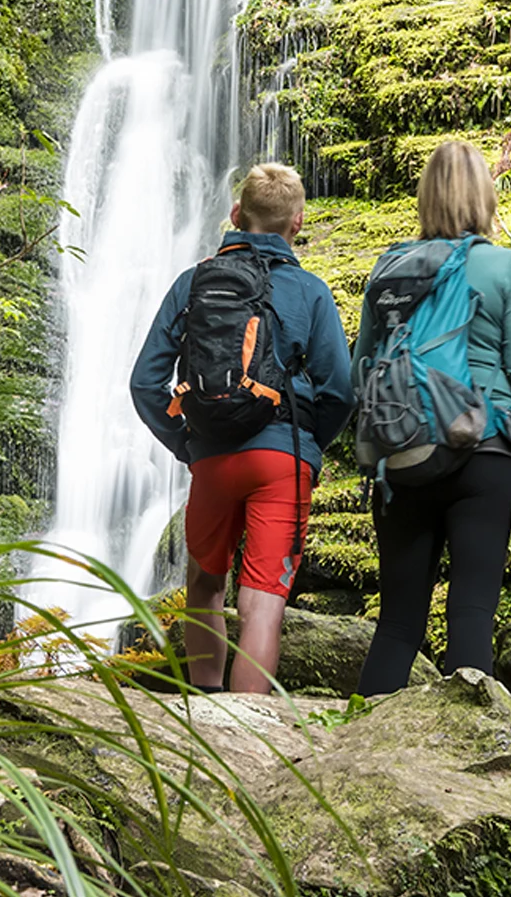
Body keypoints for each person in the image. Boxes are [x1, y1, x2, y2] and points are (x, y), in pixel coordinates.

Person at [130, 163, 356, 695]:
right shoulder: (311, 292)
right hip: (282, 461)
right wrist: (306, 448)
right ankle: (246, 740)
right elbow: (340, 391)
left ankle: (203, 713)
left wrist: (187, 445)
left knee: (204, 585)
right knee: (262, 600)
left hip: (212, 457)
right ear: (297, 223)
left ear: (236, 214)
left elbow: (146, 383)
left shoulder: (193, 283)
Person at [354, 141, 511, 696]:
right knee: (469, 612)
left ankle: (362, 758)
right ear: (486, 196)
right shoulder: (501, 265)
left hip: (403, 450)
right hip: (484, 446)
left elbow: (358, 375)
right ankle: (468, 764)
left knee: (396, 624)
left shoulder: (388, 268)